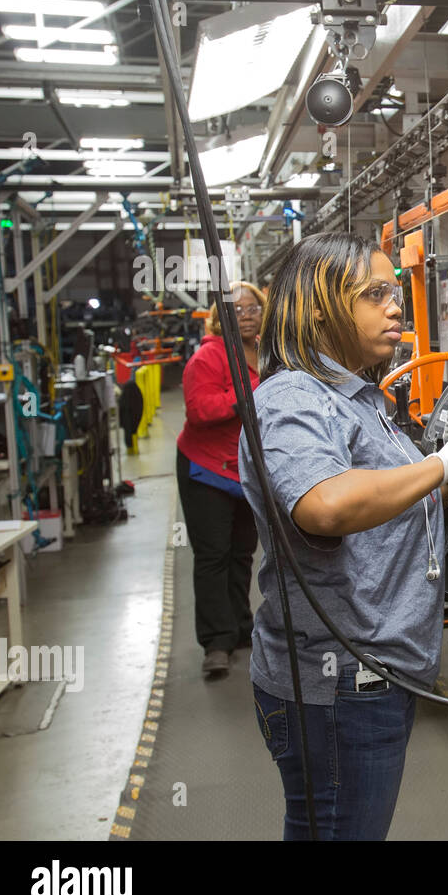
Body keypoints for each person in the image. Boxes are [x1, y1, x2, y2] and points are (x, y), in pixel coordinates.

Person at [238, 232, 448, 840]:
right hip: (339, 684)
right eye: (374, 294)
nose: (395, 306)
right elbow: (325, 505)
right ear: (321, 308)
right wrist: (440, 465)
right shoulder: (293, 398)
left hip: (378, 671)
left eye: (395, 291)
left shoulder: (358, 397)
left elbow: (388, 505)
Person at [176, 280, 264, 678]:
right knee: (213, 555)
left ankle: (242, 629)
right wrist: (241, 398)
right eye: (236, 309)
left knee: (243, 552)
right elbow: (199, 410)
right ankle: (216, 642)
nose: (245, 315)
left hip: (246, 467)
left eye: (252, 308)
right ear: (220, 317)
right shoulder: (209, 357)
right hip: (207, 469)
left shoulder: (266, 353)